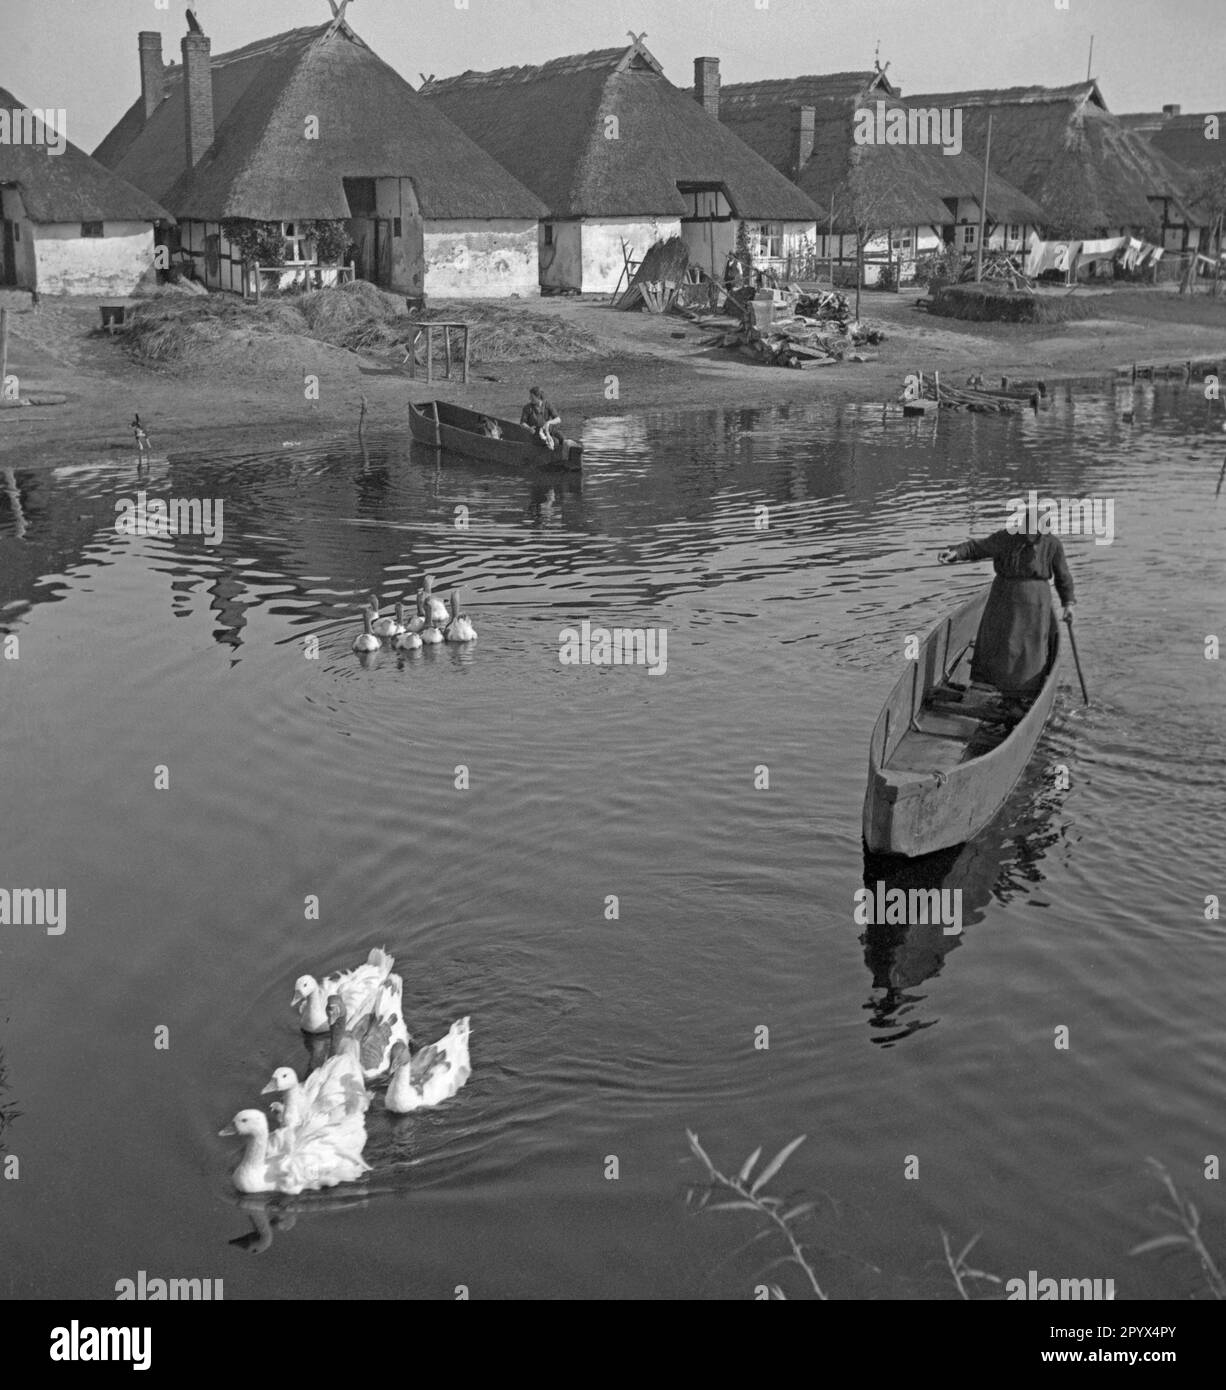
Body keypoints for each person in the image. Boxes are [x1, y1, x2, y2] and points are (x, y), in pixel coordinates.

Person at [937, 526, 1075, 698]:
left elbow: (1063, 576)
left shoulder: (1050, 543)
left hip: (1029, 601)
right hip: (1008, 597)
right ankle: (1001, 683)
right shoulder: (1009, 538)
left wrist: (1068, 603)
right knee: (1006, 640)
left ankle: (1020, 687)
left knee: (1022, 644)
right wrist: (955, 553)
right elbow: (977, 548)